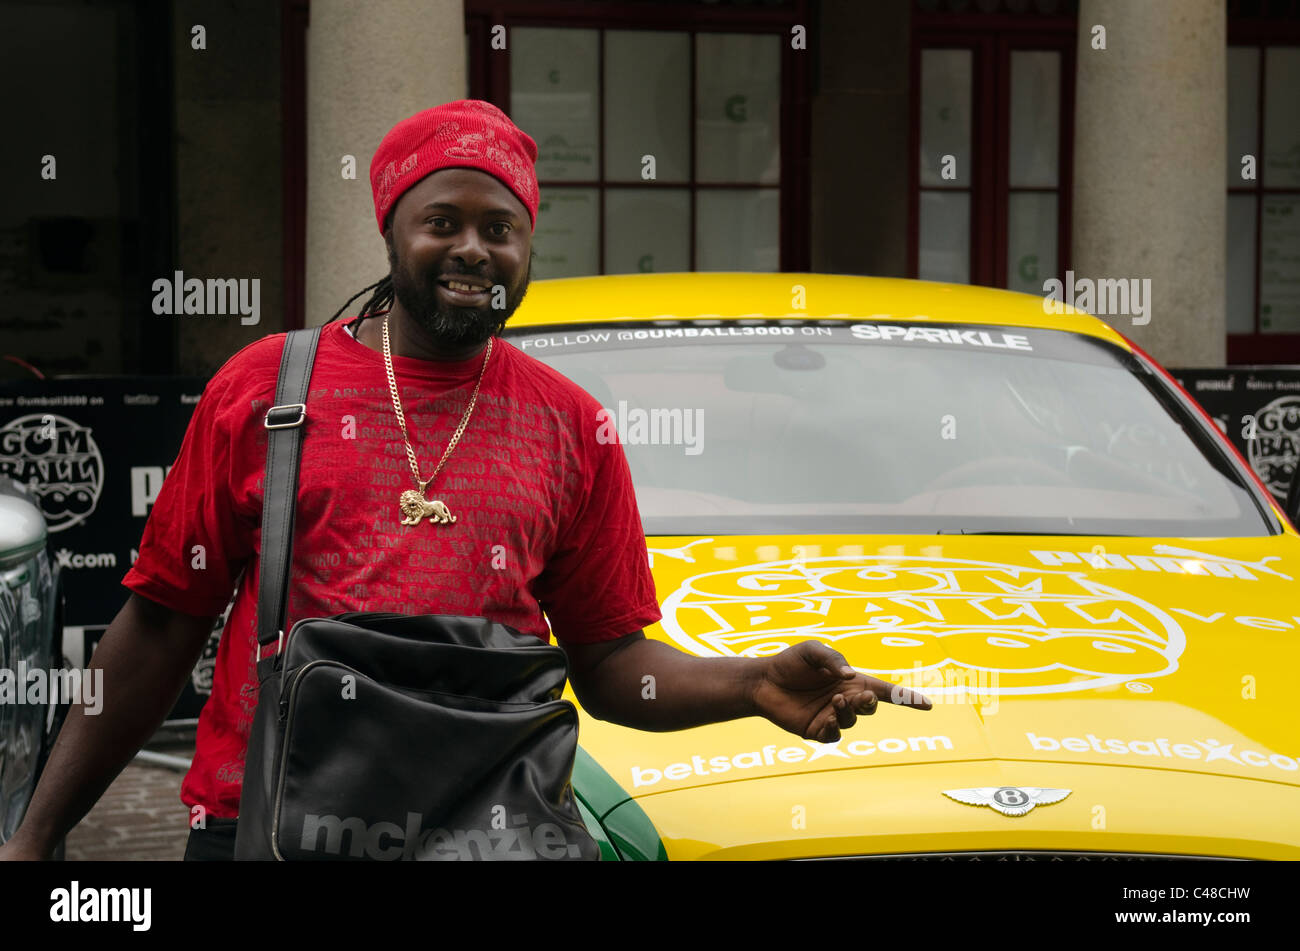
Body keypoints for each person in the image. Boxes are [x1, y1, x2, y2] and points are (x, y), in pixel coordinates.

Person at [0, 99, 930, 862]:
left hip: (489, 837)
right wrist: (38, 833)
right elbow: (158, 628)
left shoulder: (572, 426)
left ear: (528, 246)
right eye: (440, 221)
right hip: (266, 827)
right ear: (392, 232)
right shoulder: (264, 392)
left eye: (502, 228)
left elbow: (610, 665)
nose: (473, 249)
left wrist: (753, 683)